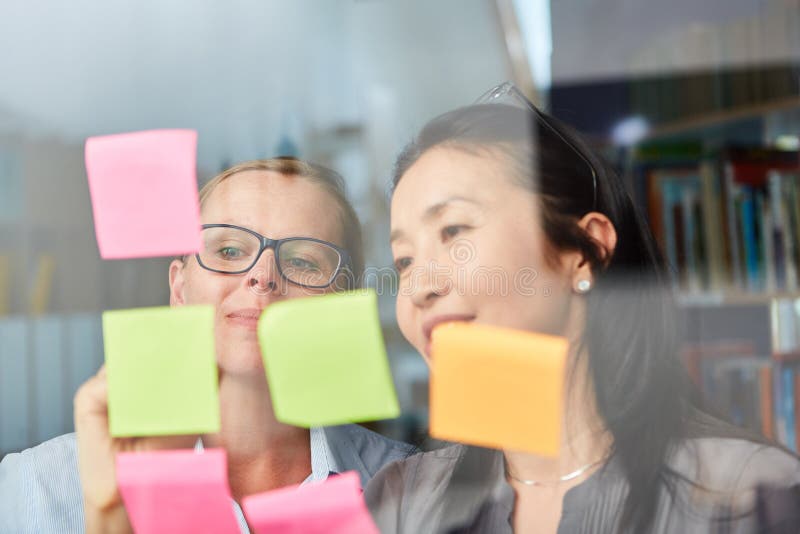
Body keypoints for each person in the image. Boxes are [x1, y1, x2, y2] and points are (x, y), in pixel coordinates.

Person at [365, 83, 800, 533]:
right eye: (403, 261)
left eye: (453, 230)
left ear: (586, 250)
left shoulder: (753, 498)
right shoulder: (399, 504)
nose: (419, 287)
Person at [0, 157, 413, 533]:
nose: (263, 277)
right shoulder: (35, 486)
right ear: (180, 289)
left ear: (342, 306)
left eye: (303, 261)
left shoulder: (415, 491)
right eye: (230, 250)